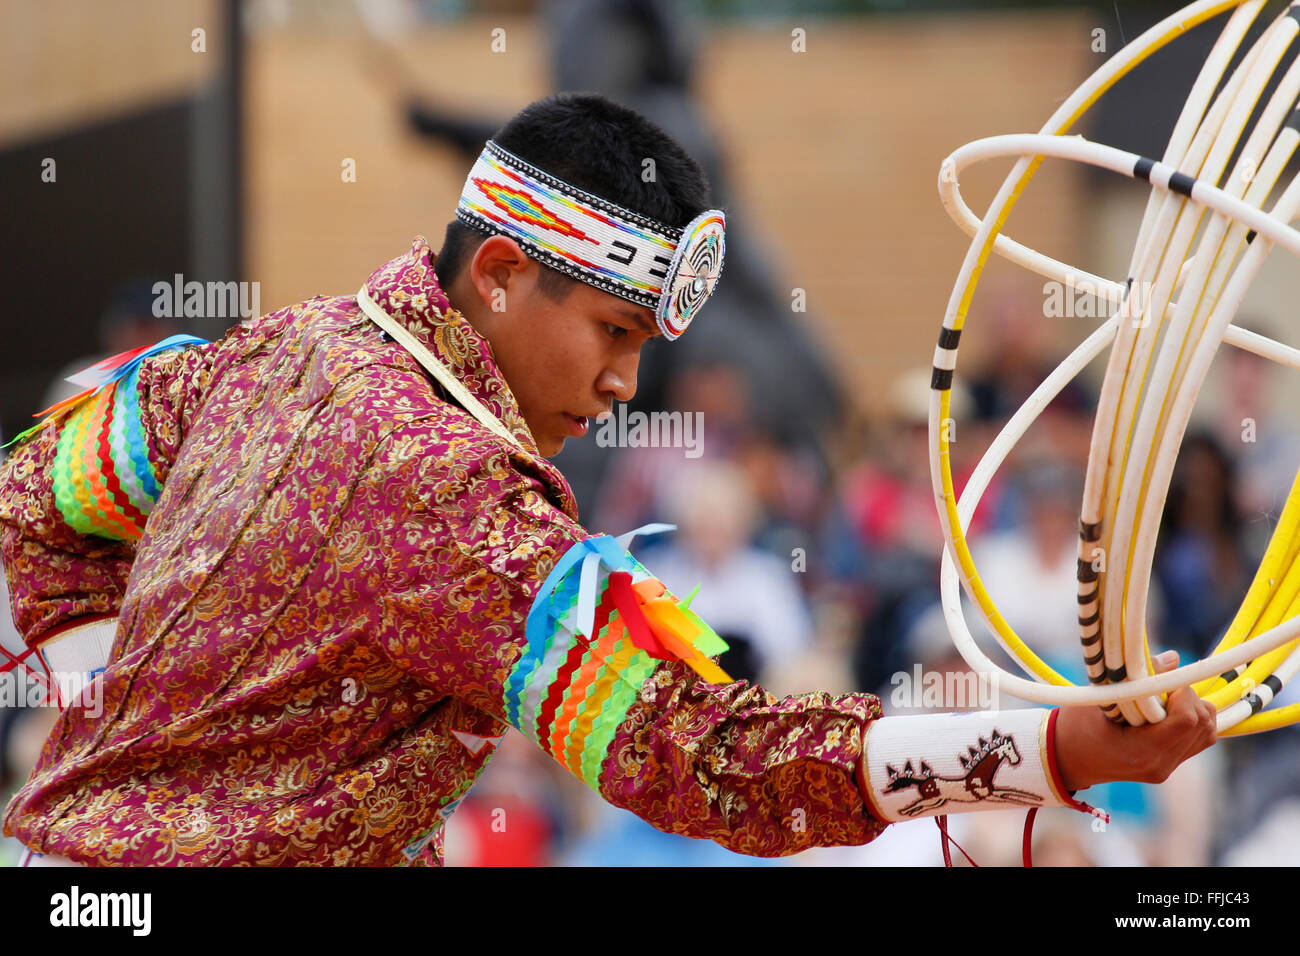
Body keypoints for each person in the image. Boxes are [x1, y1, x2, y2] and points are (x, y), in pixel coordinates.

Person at [0, 93, 1216, 866]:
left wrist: (111, 709)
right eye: (614, 332)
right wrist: (1053, 749)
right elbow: (706, 756)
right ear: (496, 278)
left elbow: (37, 494)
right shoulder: (449, 494)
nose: (628, 384)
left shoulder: (282, 347)